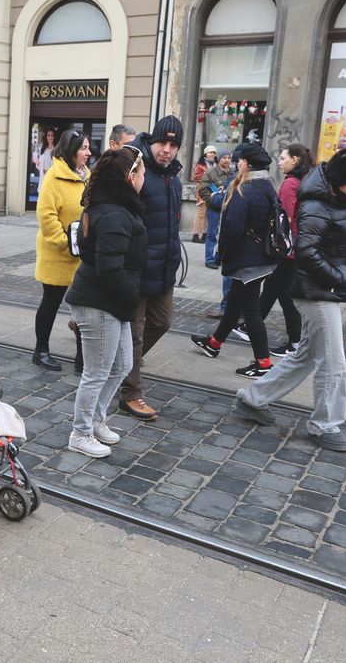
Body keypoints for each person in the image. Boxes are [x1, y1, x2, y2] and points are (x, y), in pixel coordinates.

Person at [234, 149, 346, 453]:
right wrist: (339, 276)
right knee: (333, 361)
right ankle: (325, 424)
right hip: (315, 291)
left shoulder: (338, 200)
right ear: (340, 180)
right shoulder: (317, 204)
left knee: (306, 356)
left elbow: (335, 249)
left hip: (323, 289)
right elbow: (306, 251)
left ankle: (253, 399)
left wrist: (343, 272)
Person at [64, 146, 147, 458]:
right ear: (130, 177)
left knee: (122, 364)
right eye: (141, 173)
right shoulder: (114, 214)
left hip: (111, 300)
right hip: (98, 302)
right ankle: (80, 433)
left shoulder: (117, 207)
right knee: (97, 371)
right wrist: (132, 296)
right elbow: (110, 268)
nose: (144, 179)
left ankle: (95, 421)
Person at [190, 143, 279, 378]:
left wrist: (221, 255)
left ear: (246, 164)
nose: (236, 164)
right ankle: (214, 343)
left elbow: (232, 229)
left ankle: (263, 363)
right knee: (234, 303)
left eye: (239, 161)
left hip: (246, 259)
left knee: (250, 311)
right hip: (263, 255)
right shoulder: (269, 186)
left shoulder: (244, 190)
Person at [118, 115, 184, 420]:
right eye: (162, 143)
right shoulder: (136, 168)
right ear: (153, 140)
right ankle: (130, 394)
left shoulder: (174, 176)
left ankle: (121, 363)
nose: (167, 150)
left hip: (164, 267)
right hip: (136, 268)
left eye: (173, 145)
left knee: (162, 321)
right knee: (135, 334)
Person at [32, 129, 91, 371]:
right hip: (57, 254)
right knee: (51, 303)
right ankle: (41, 351)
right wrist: (64, 243)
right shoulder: (54, 177)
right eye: (84, 148)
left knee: (83, 307)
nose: (88, 153)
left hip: (82, 255)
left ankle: (82, 358)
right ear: (71, 150)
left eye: (88, 148)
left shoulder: (86, 175)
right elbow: (46, 216)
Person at [259, 143, 313, 356]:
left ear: (295, 160)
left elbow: (284, 219)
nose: (279, 162)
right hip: (296, 245)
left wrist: (277, 246)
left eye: (283, 158)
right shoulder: (304, 181)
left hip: (288, 249)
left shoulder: (290, 184)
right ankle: (250, 323)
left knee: (285, 294)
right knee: (272, 286)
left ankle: (295, 341)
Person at [198, 152, 233, 272]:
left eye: (229, 158)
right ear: (219, 159)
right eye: (224, 158)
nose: (227, 160)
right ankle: (209, 259)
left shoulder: (233, 173)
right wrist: (213, 200)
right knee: (212, 234)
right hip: (214, 209)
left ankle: (219, 258)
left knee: (224, 235)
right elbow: (202, 189)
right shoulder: (211, 173)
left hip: (228, 209)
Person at [191, 145, 218, 243]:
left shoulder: (216, 165)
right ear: (205, 153)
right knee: (200, 213)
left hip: (213, 191)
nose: (212, 154)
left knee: (207, 214)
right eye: (210, 152)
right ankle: (195, 235)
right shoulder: (200, 165)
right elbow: (196, 177)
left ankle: (205, 235)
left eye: (214, 153)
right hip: (202, 191)